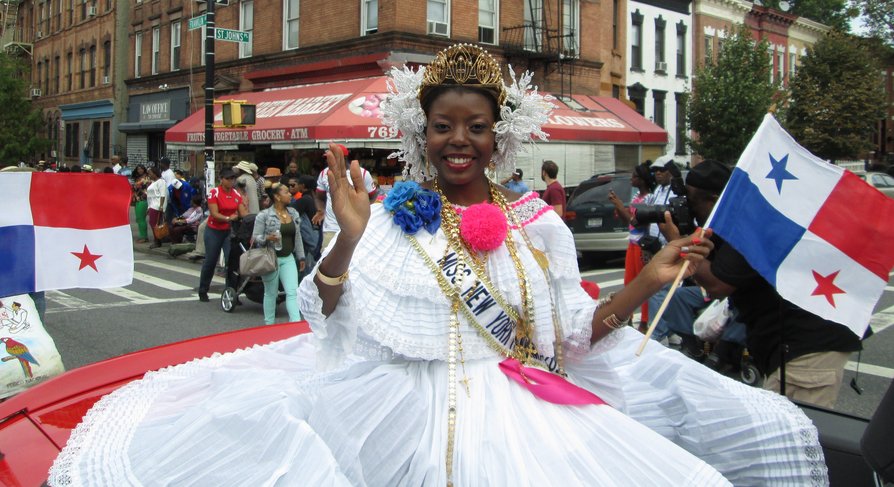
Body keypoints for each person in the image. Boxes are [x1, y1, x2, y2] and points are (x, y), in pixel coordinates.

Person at [49, 44, 825, 486]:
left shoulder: (539, 225)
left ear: (499, 134)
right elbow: (331, 320)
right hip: (398, 417)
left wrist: (645, 283)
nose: (460, 140)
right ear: (421, 134)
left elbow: (576, 334)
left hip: (519, 416)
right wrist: (347, 240)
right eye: (443, 126)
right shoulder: (387, 213)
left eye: (476, 126)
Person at [667, 160, 864, 408]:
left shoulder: (749, 225)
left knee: (791, 438)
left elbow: (718, 284)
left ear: (715, 199)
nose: (690, 209)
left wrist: (678, 241)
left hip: (806, 344)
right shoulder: (733, 223)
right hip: (787, 342)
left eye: (692, 202)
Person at [252, 183, 306, 325]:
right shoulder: (264, 215)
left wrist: (301, 256)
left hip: (288, 258)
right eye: (286, 192)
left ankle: (295, 324)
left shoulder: (293, 213)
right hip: (270, 258)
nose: (290, 195)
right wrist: (266, 238)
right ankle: (269, 324)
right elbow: (255, 237)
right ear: (277, 196)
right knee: (271, 293)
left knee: (293, 292)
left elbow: (298, 236)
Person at [608, 163, 654, 330]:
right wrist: (618, 207)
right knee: (629, 282)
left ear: (642, 179)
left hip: (642, 244)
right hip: (632, 243)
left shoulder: (649, 198)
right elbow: (626, 219)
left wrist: (620, 205)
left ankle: (645, 320)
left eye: (634, 176)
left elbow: (636, 221)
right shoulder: (636, 197)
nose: (631, 179)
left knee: (643, 284)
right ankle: (628, 316)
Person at [313, 144, 377, 250]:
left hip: (356, 229)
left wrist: (362, 213)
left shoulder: (362, 173)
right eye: (327, 158)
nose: (328, 160)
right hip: (331, 228)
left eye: (332, 157)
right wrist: (320, 210)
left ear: (343, 158)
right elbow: (319, 197)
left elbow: (373, 196)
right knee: (327, 262)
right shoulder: (325, 173)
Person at [197, 168, 247, 302]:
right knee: (211, 260)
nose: (231, 181)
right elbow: (214, 213)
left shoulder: (236, 193)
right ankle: (203, 289)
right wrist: (228, 218)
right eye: (228, 178)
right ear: (221, 179)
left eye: (233, 179)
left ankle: (232, 293)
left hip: (228, 231)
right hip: (214, 230)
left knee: (232, 262)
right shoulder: (215, 193)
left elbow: (242, 212)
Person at [145, 166, 167, 249]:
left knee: (155, 224)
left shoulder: (161, 182)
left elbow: (162, 194)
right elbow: (150, 196)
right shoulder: (153, 182)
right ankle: (156, 239)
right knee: (152, 223)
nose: (149, 175)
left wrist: (161, 206)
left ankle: (157, 240)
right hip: (152, 205)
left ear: (155, 173)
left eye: (150, 173)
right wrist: (148, 207)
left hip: (157, 206)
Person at [130, 164, 150, 244]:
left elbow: (146, 190)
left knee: (141, 219)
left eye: (141, 169)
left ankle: (144, 237)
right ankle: (142, 236)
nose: (139, 170)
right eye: (138, 169)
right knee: (139, 219)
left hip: (143, 199)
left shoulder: (146, 178)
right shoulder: (137, 178)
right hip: (137, 200)